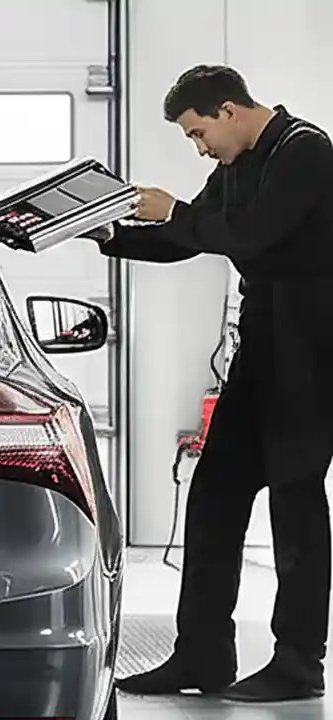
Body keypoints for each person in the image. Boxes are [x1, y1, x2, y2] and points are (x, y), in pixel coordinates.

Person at [101, 65, 333, 702]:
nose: (199, 148)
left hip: (311, 358)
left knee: (295, 506)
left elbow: (250, 238)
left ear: (229, 110)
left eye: (199, 134)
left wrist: (174, 209)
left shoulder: (305, 151)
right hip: (260, 354)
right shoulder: (235, 166)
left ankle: (298, 665)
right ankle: (201, 656)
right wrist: (103, 232)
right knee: (212, 502)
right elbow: (190, 235)